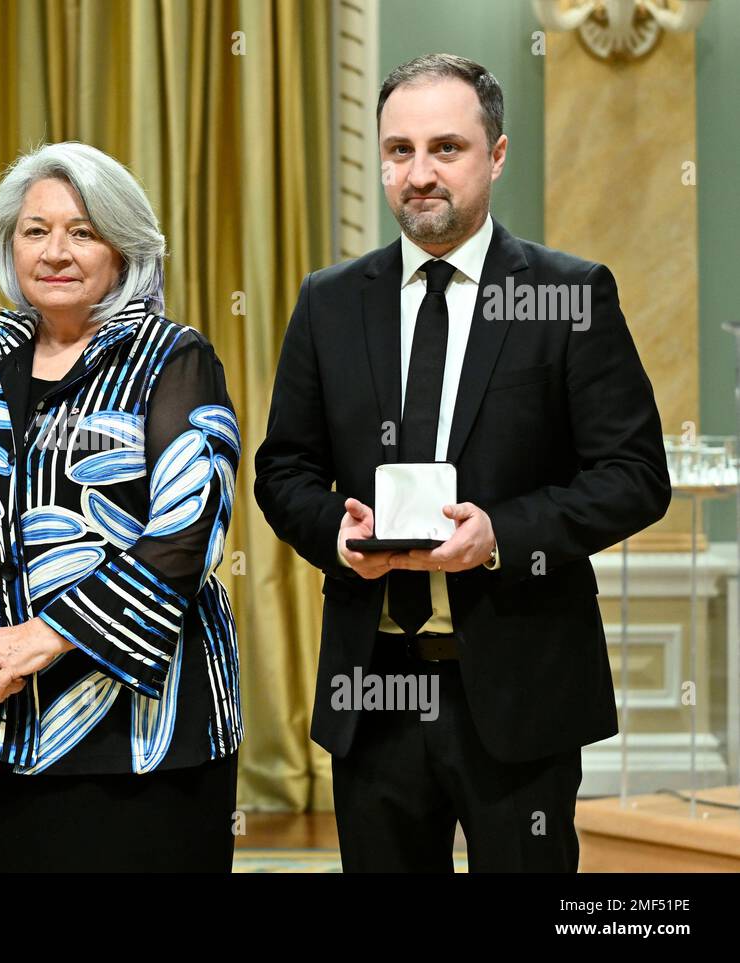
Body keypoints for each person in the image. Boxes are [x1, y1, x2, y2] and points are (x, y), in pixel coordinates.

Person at [254, 54, 671, 872]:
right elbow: (284, 469)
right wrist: (333, 532)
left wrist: (502, 534)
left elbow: (635, 474)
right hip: (372, 692)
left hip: (522, 694)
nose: (419, 174)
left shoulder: (569, 295)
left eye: (446, 147)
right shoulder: (329, 300)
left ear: (498, 154)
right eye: (399, 150)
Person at [0, 142, 242, 872]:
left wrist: (46, 636)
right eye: (35, 230)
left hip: (151, 733)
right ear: (11, 245)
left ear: (123, 250)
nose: (55, 251)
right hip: (10, 717)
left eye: (82, 231)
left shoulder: (171, 357)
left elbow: (186, 536)